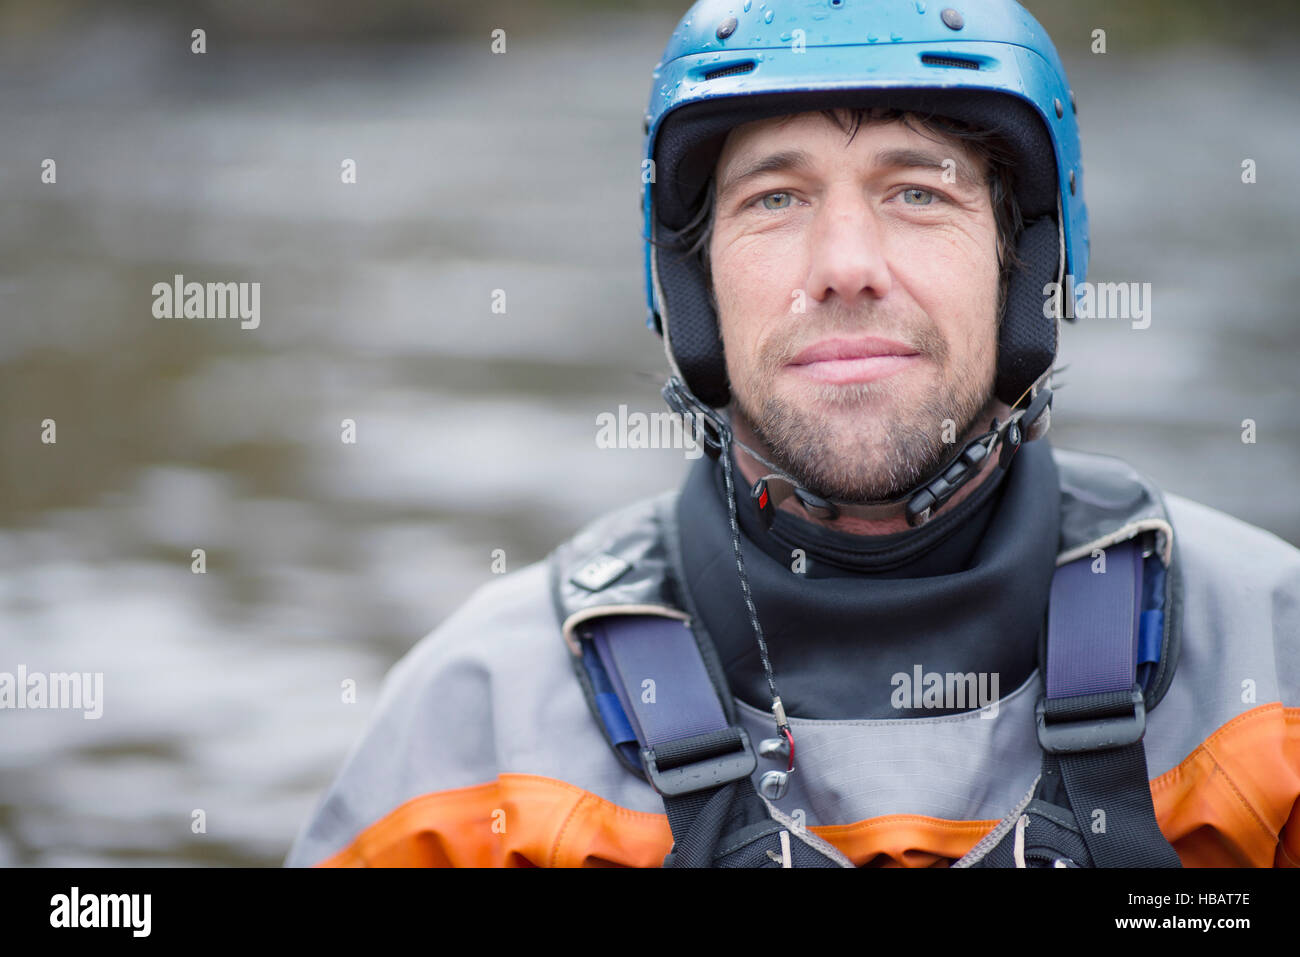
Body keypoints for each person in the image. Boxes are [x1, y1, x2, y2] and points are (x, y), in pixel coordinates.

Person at [286, 0, 1300, 868]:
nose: (845, 264)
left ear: (1021, 266)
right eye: (775, 198)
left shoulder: (1267, 666)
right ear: (693, 288)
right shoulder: (478, 729)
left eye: (917, 191)